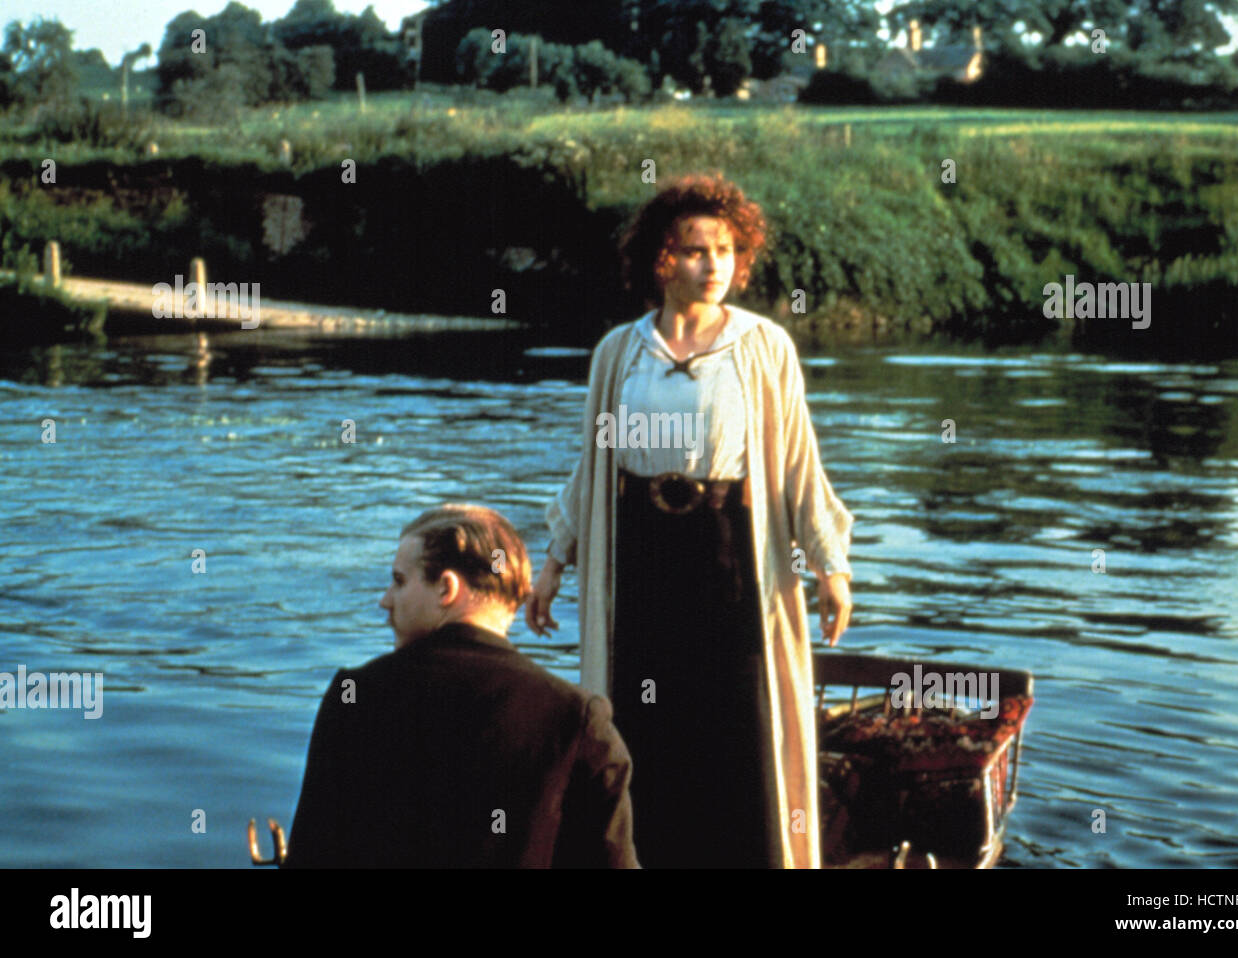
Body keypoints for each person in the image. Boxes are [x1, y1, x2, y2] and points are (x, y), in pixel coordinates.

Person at [526, 173, 853, 868]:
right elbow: (593, 463)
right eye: (696, 251)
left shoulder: (764, 348)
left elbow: (798, 462)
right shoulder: (620, 352)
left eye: (727, 251)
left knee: (737, 713)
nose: (714, 266)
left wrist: (830, 563)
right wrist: (555, 560)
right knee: (643, 715)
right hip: (641, 551)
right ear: (660, 259)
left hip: (730, 550)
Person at [284, 504, 638, 868]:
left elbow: (312, 856)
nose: (385, 599)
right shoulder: (575, 717)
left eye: (399, 580)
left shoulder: (356, 695)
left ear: (446, 588)